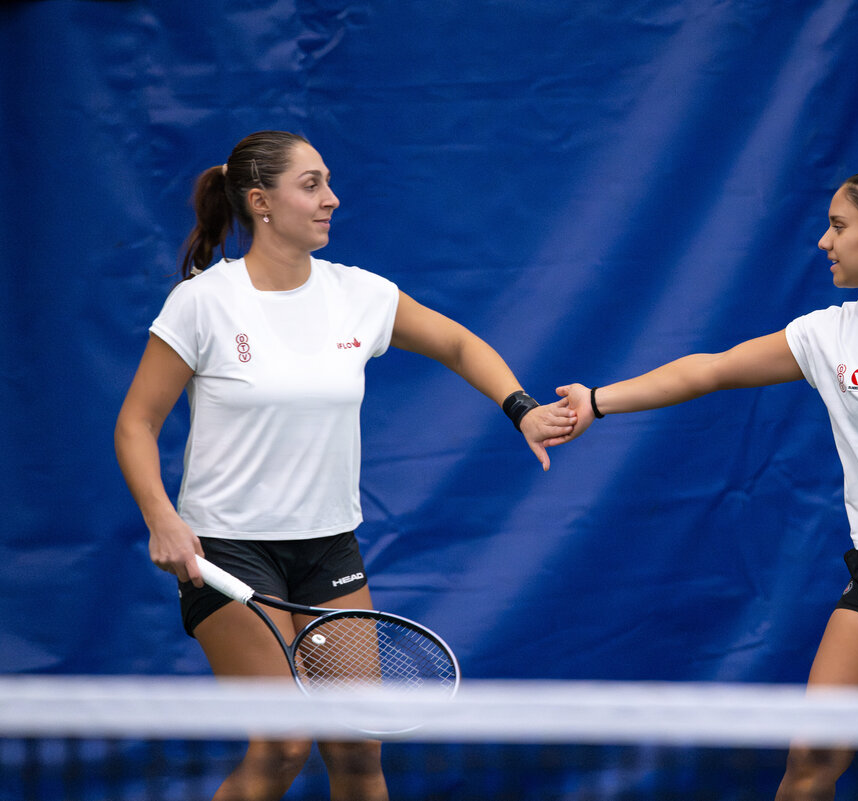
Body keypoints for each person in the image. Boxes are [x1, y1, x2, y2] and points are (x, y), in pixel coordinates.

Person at [555, 168, 858, 801]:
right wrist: (596, 402)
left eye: (839, 226)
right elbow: (710, 370)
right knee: (811, 757)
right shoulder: (826, 334)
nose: (824, 241)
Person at [114, 130, 576, 801]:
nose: (332, 198)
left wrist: (522, 407)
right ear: (260, 201)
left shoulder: (358, 295)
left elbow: (455, 341)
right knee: (282, 744)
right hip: (226, 548)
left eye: (328, 181)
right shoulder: (204, 303)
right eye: (312, 185)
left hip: (327, 546)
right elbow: (136, 423)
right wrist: (163, 519)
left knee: (358, 749)